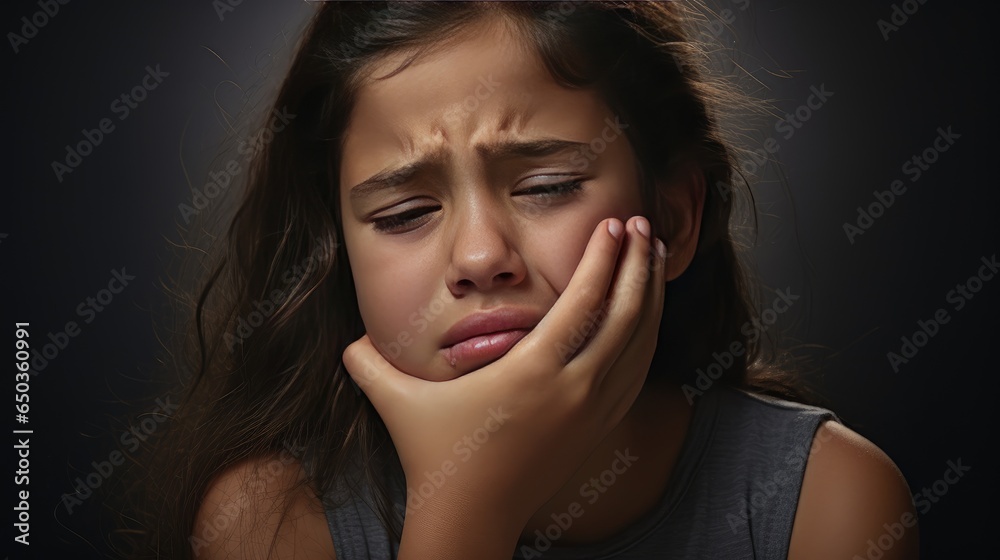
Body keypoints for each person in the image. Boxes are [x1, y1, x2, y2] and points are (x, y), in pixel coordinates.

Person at [124, 2, 918, 558]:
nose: (478, 258)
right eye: (404, 213)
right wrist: (465, 510)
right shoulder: (272, 524)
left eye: (544, 188)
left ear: (672, 220)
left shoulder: (827, 505)